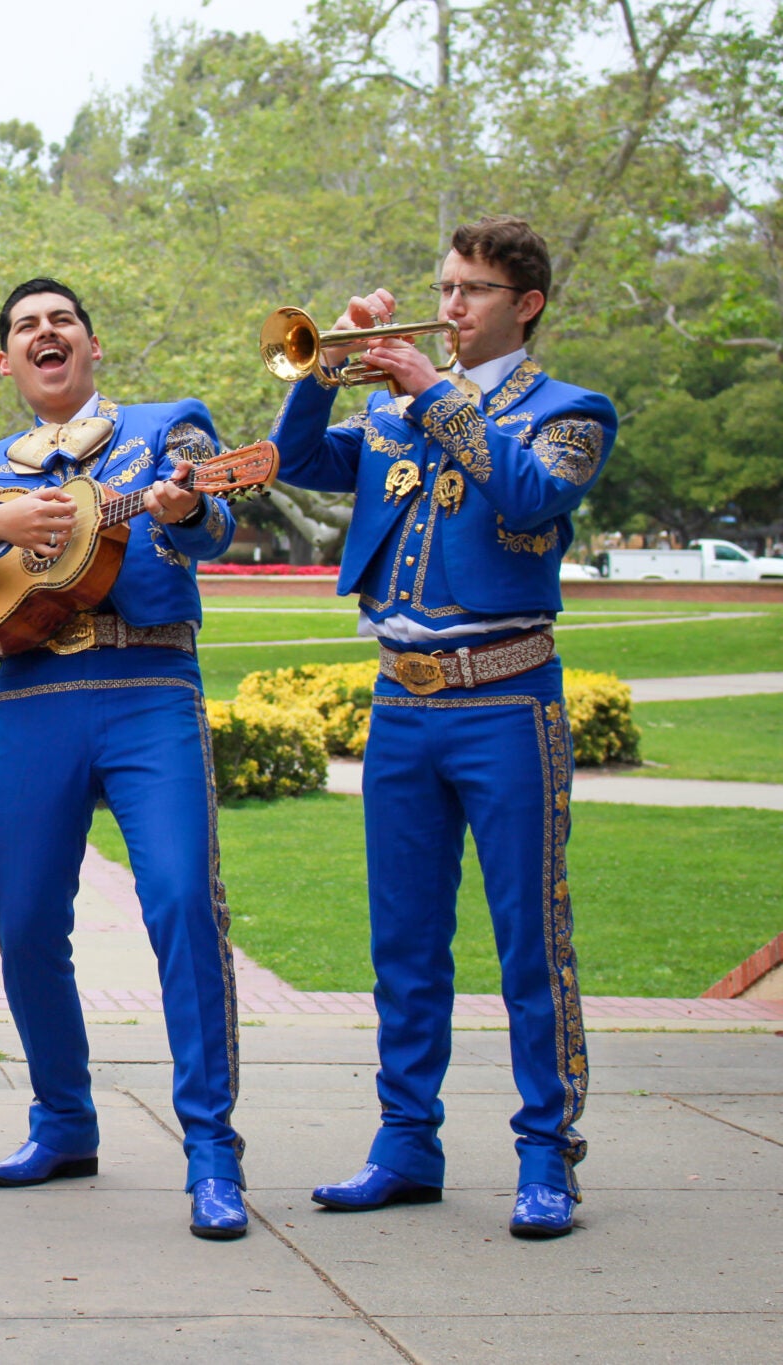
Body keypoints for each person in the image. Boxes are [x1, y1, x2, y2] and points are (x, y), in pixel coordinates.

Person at [269, 217, 613, 1239]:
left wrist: (432, 387)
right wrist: (322, 361)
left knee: (526, 940)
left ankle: (545, 1153)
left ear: (526, 303)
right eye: (444, 285)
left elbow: (528, 490)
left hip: (505, 699)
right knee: (404, 942)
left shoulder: (569, 411)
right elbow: (292, 458)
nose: (449, 304)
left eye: (469, 289)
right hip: (401, 703)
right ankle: (404, 1142)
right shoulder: (390, 410)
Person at [0, 278, 248, 1239]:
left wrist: (184, 509)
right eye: (25, 326)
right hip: (34, 699)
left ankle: (212, 1149)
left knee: (183, 902)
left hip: (149, 690)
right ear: (8, 363)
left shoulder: (167, 428)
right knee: (22, 922)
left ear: (93, 347)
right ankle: (62, 1119)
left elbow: (215, 523)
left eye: (62, 320)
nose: (45, 333)